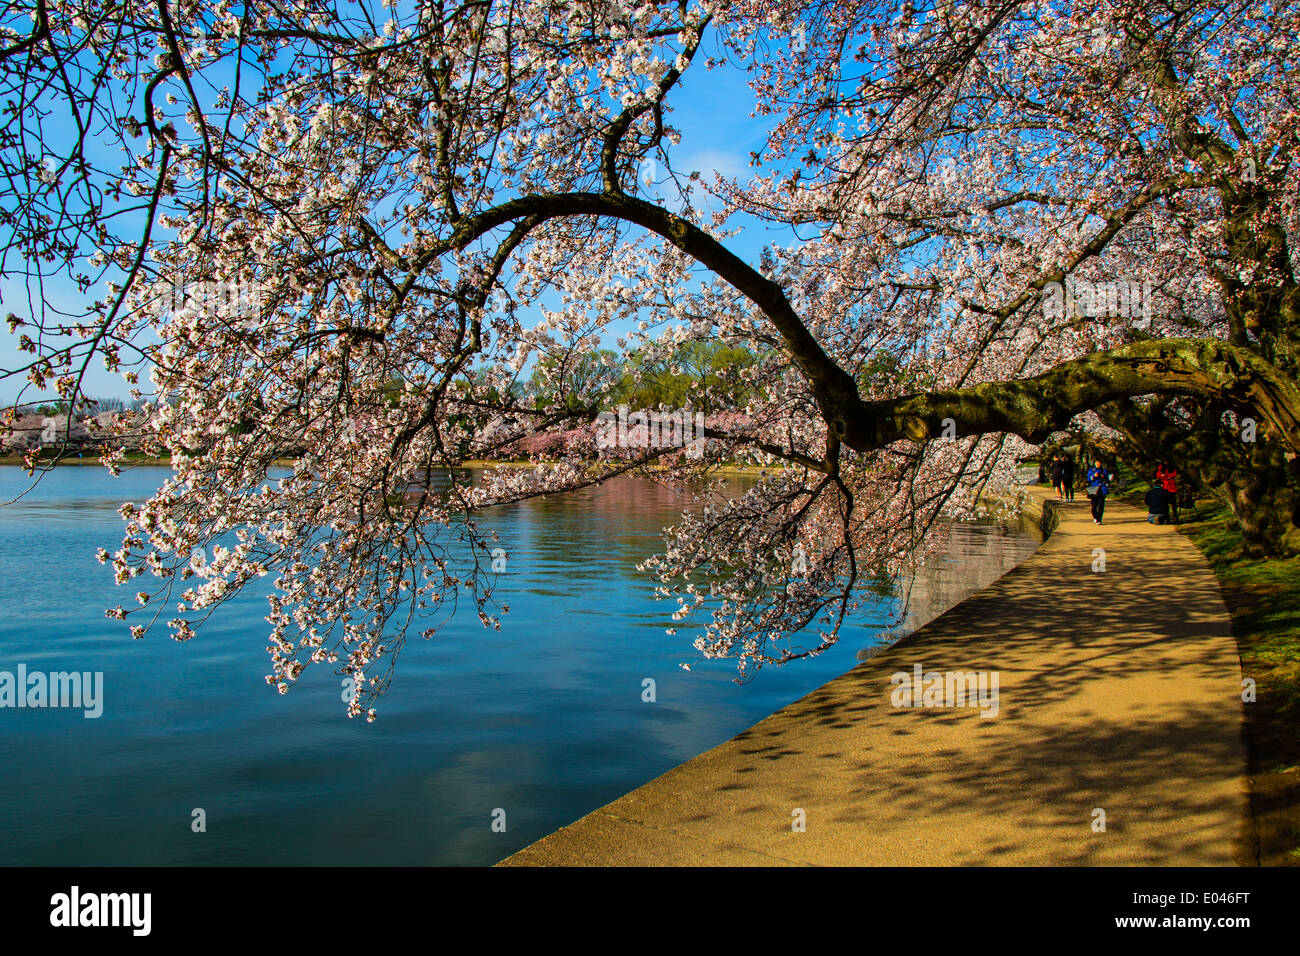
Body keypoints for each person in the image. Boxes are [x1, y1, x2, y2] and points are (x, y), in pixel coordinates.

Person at [1085, 458, 1114, 524]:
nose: (1098, 464)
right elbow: (1088, 479)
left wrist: (1103, 477)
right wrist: (1094, 476)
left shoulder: (1104, 470)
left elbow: (1107, 480)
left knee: (1101, 505)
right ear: (1094, 463)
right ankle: (1095, 516)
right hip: (1093, 489)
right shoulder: (1091, 470)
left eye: (1099, 462)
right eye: (1096, 463)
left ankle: (1099, 519)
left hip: (1102, 489)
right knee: (1094, 506)